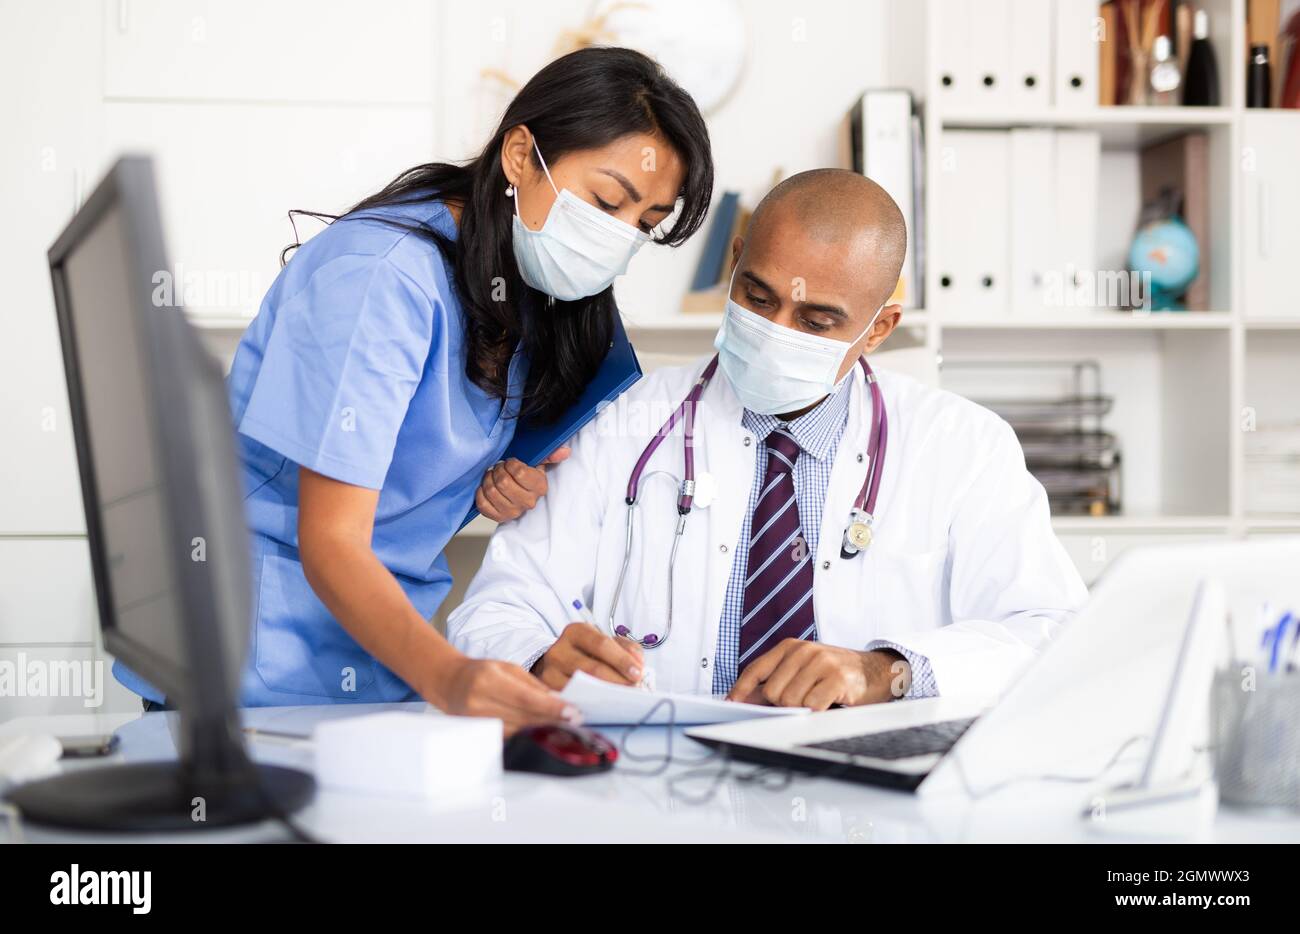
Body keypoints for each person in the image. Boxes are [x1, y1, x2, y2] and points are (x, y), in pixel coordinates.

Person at [113, 47, 714, 730]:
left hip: (375, 668)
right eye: (608, 201)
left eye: (645, 224)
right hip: (244, 660)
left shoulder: (525, 292)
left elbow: (421, 452)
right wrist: (452, 678)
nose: (619, 238)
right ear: (521, 155)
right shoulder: (381, 276)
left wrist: (496, 478)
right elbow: (334, 540)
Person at [447, 169, 1088, 710]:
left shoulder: (963, 446)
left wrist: (887, 671)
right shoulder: (618, 419)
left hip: (863, 795)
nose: (776, 329)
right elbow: (497, 608)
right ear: (735, 265)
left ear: (879, 327)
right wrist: (539, 660)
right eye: (757, 296)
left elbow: (1053, 631)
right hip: (656, 776)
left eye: (816, 320)